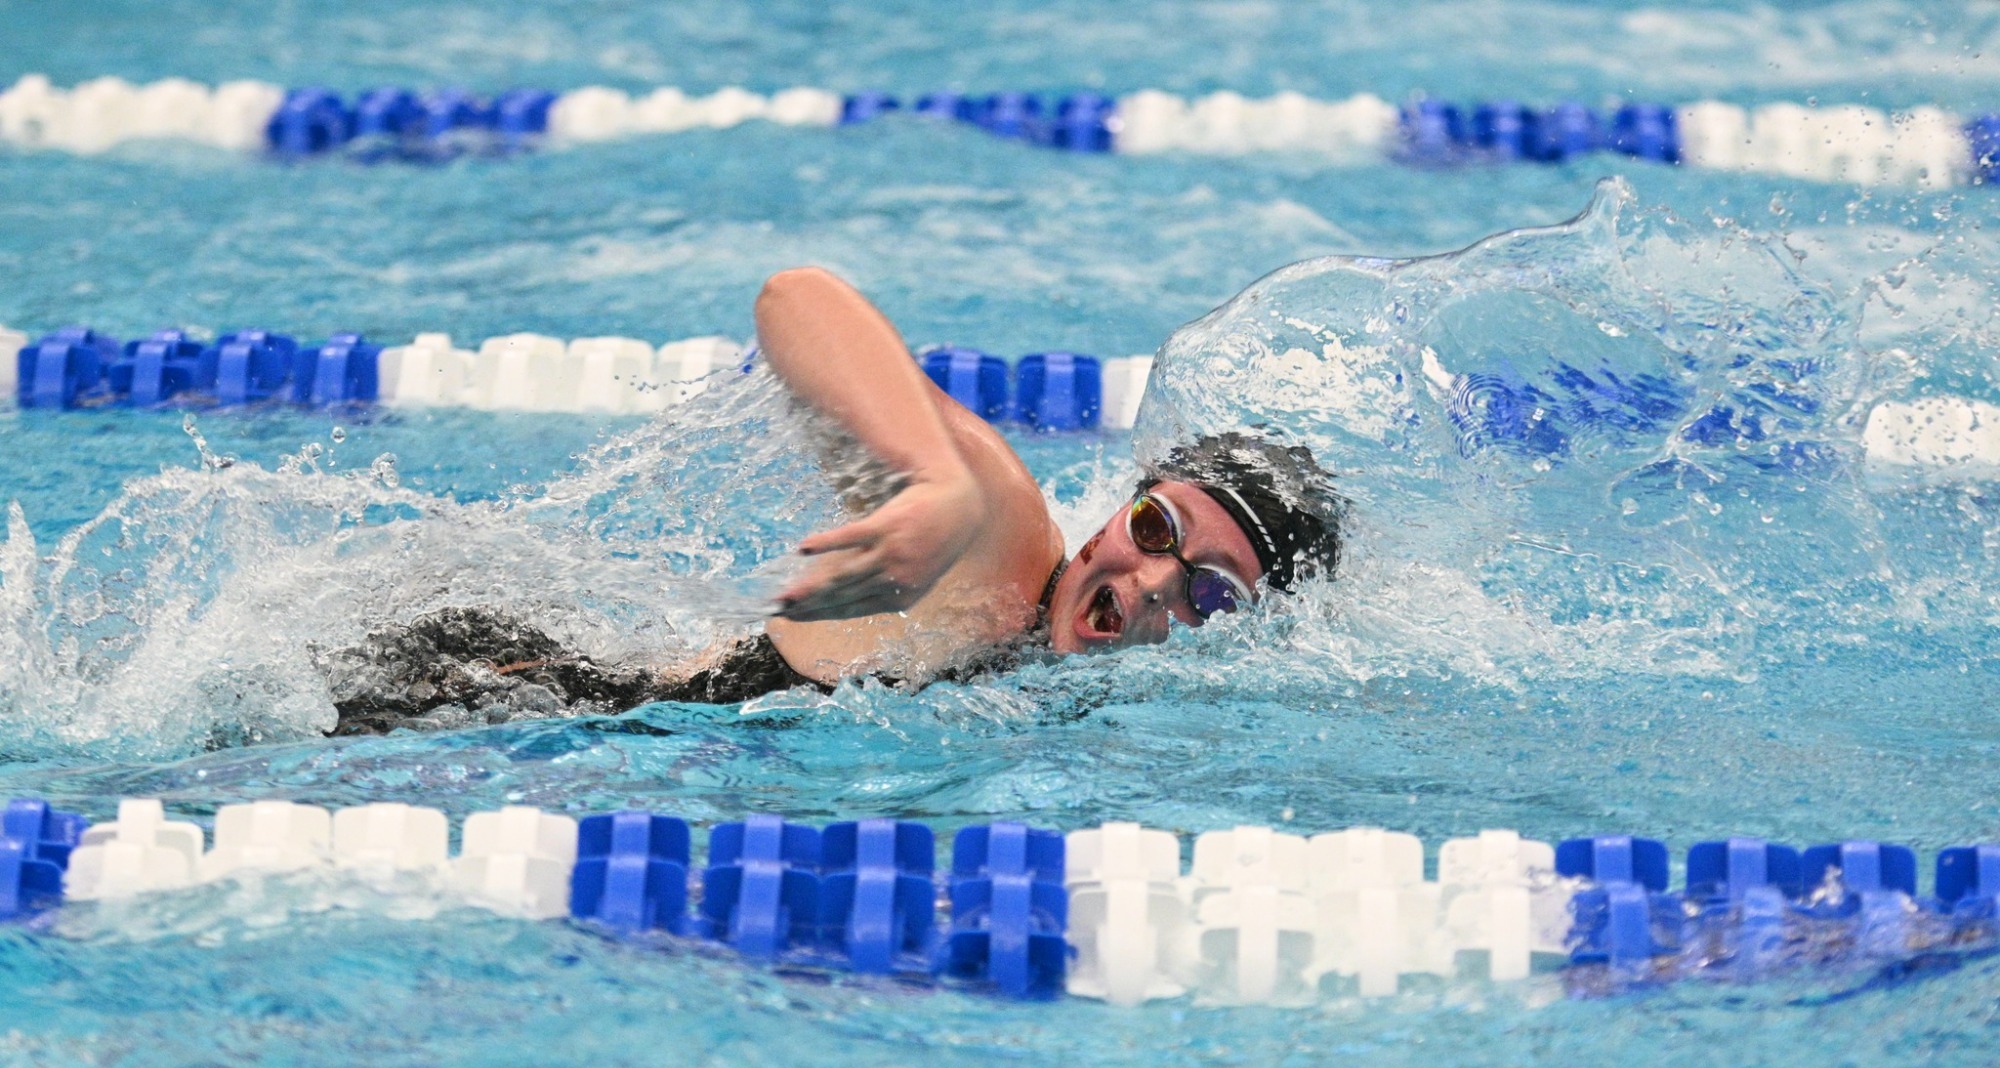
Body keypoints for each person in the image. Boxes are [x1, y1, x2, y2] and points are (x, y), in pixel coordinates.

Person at [327, 268, 1345, 733]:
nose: (1152, 580)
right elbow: (796, 298)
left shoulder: (1066, 686)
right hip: (458, 703)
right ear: (1115, 514)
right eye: (1157, 529)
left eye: (1209, 596)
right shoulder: (994, 552)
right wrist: (938, 482)